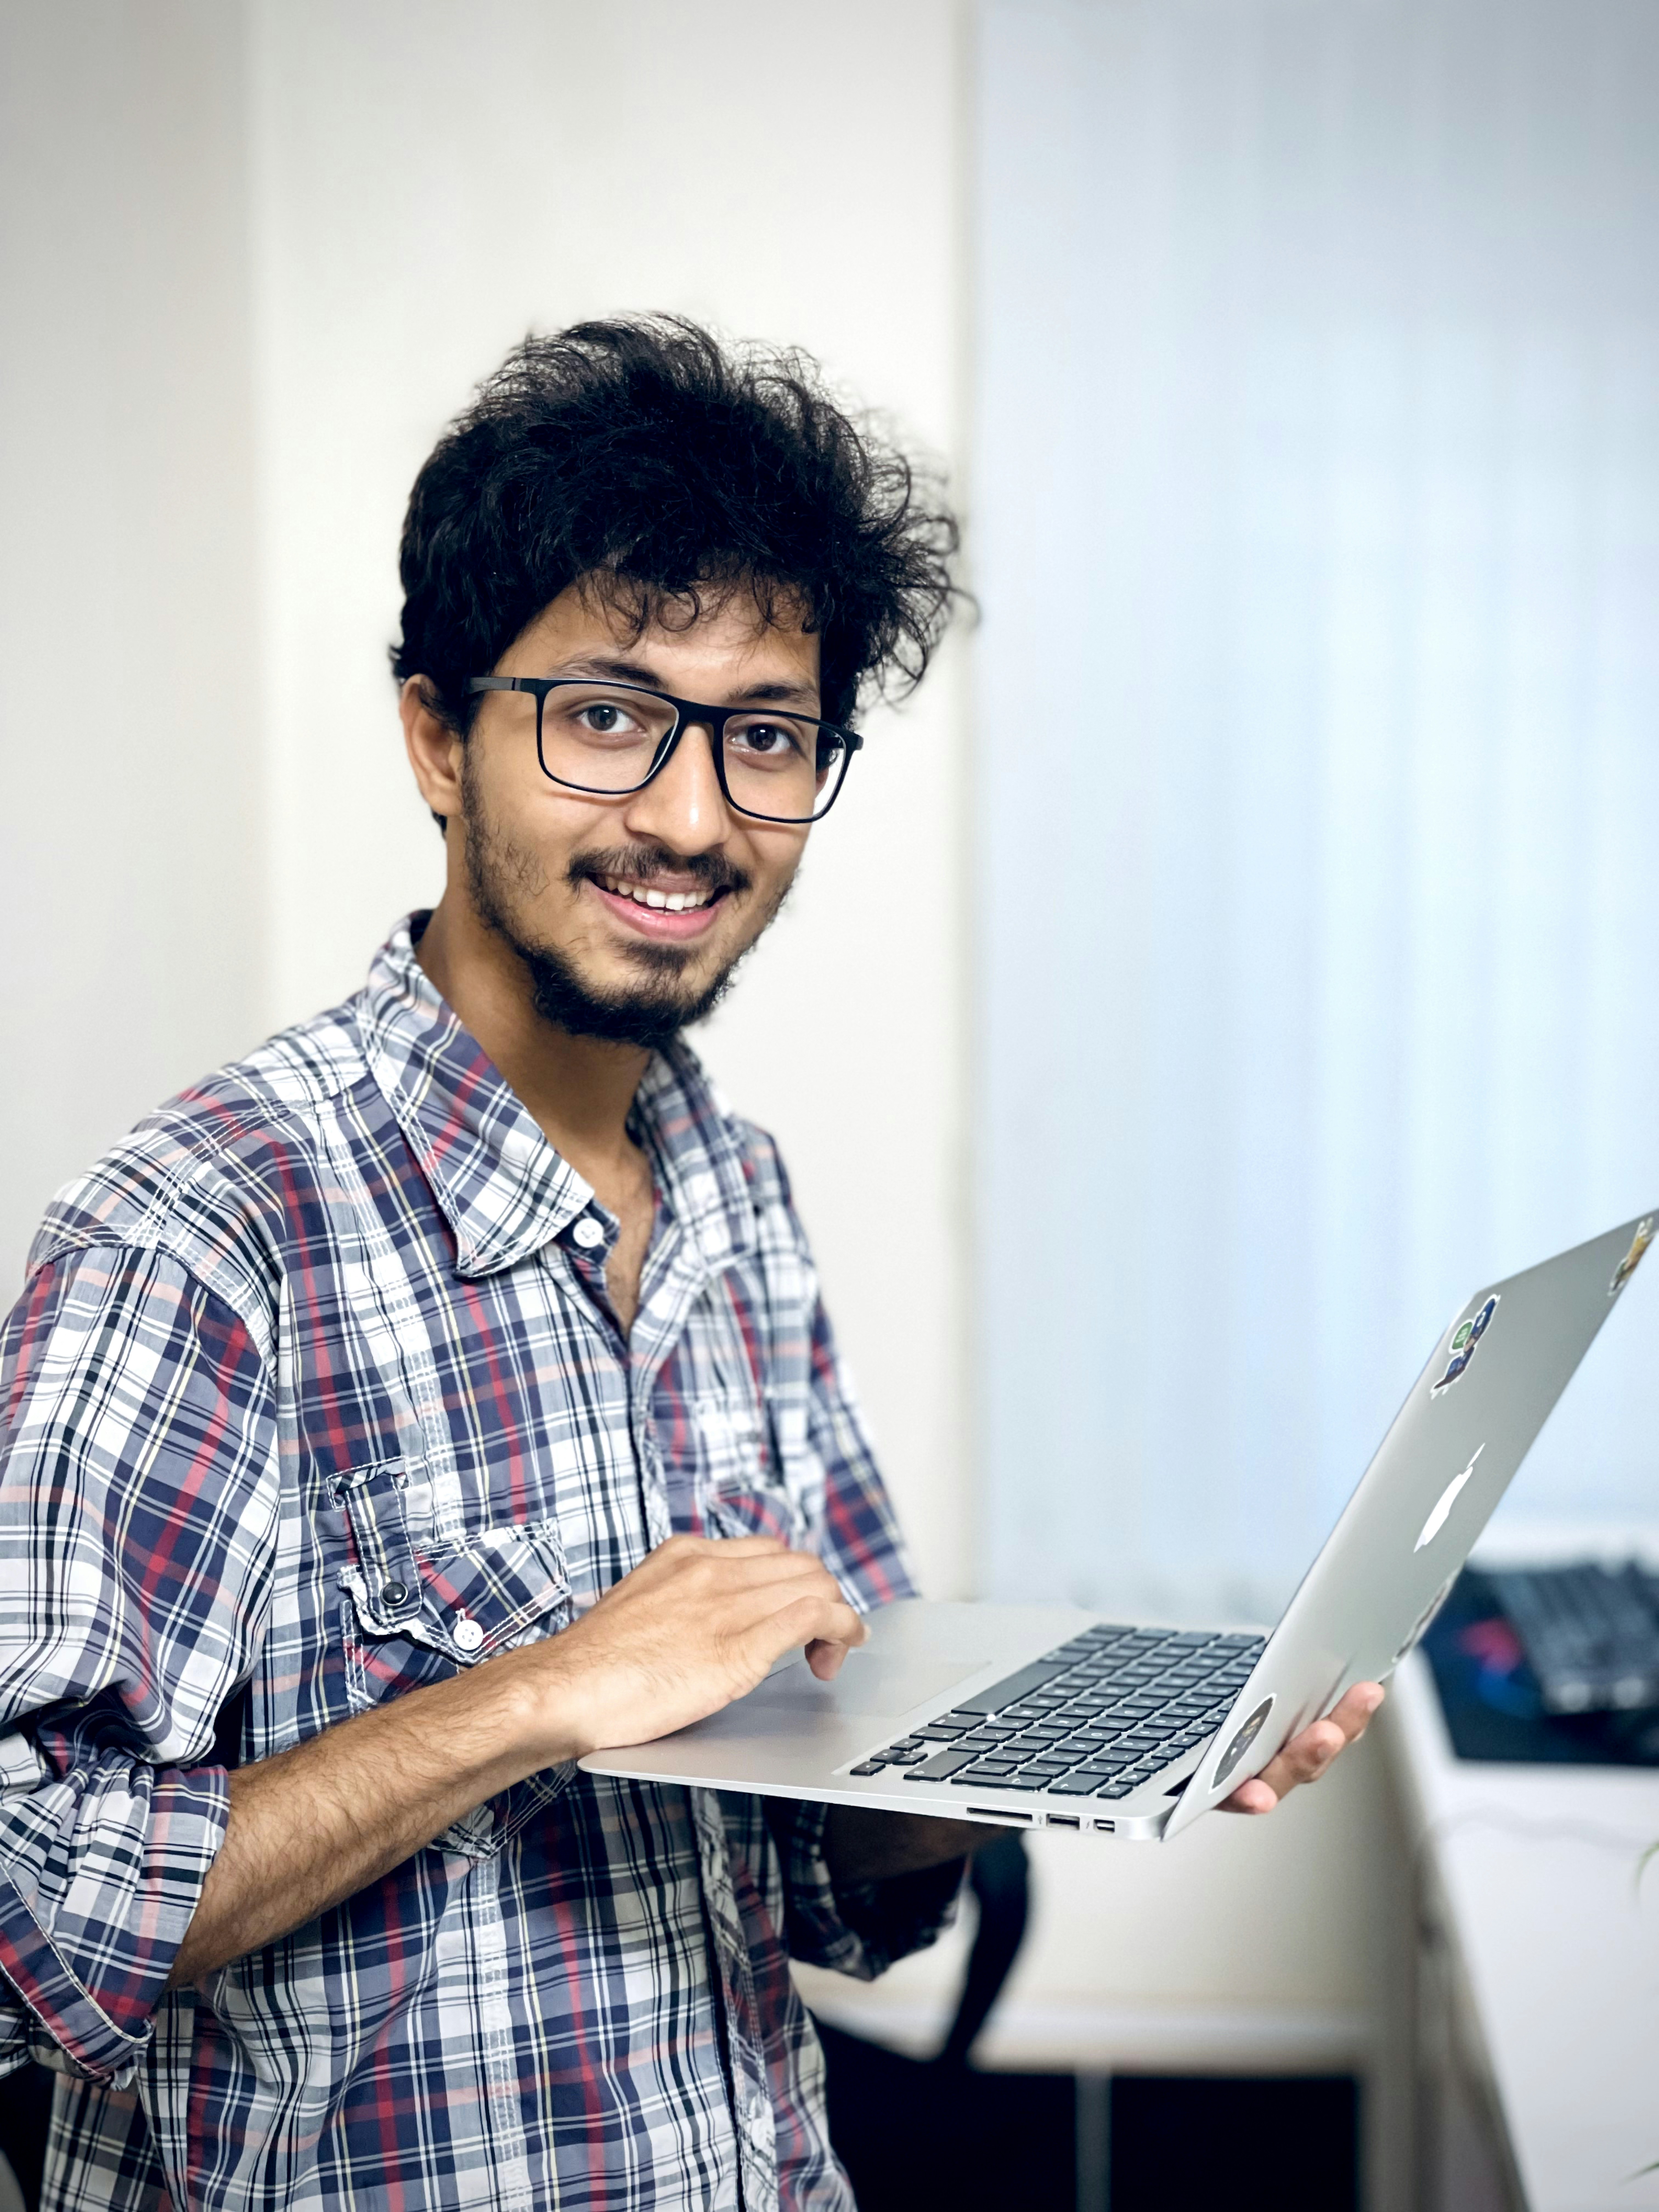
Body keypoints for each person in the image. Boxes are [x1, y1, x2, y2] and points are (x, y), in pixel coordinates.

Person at [0, 318, 1382, 2212]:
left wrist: (1089, 1762)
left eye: (766, 736)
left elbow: (833, 1846)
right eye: (605, 714)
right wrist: (534, 1695)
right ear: (436, 732)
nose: (688, 816)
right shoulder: (206, 1234)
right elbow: (24, 1911)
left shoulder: (737, 1192)